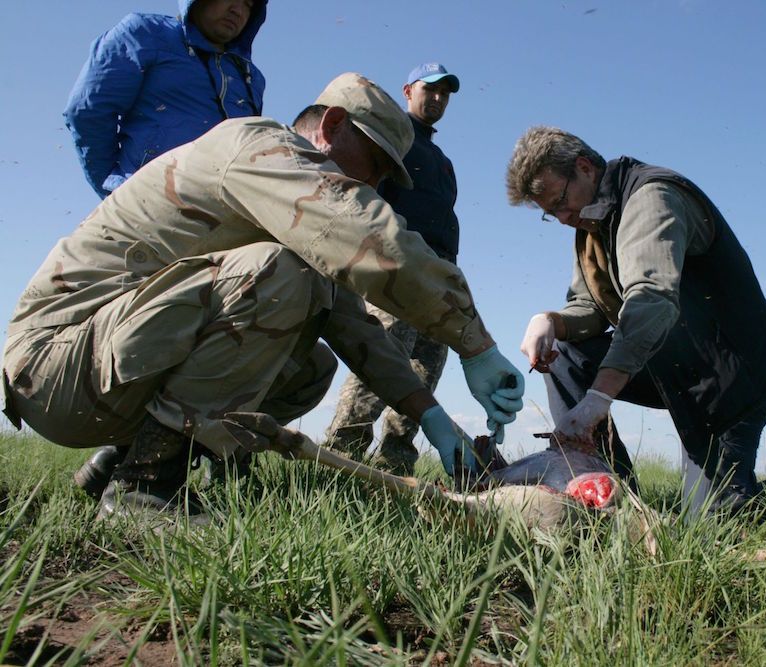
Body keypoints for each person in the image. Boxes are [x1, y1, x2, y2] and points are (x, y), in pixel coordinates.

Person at [1, 72, 524, 520]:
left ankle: (120, 460)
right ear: (333, 126)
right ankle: (146, 486)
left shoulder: (282, 212)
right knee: (278, 274)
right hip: (55, 366)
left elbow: (356, 328)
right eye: (377, 164)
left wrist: (432, 417)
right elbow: (373, 241)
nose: (377, 184)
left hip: (103, 368)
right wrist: (475, 343)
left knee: (310, 365)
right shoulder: (258, 148)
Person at [506, 126, 766, 517]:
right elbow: (591, 307)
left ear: (584, 168)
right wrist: (551, 321)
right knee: (562, 352)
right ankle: (603, 494)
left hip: (727, 378)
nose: (562, 219)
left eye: (561, 201)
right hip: (673, 368)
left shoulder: (651, 199)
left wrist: (598, 398)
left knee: (715, 525)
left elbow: (650, 301)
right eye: (551, 214)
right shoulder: (590, 221)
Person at [324, 63, 463, 475]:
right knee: (382, 360)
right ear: (408, 90)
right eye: (430, 89)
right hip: (397, 271)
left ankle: (395, 463)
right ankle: (340, 459)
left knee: (425, 371)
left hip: (439, 275)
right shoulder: (390, 138)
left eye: (445, 93)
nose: (437, 98)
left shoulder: (441, 159)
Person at [64, 0, 268, 199]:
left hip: (224, 212)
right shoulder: (145, 34)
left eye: (249, 5)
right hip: (150, 202)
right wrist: (117, 189)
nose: (238, 10)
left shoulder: (249, 76)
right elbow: (88, 111)